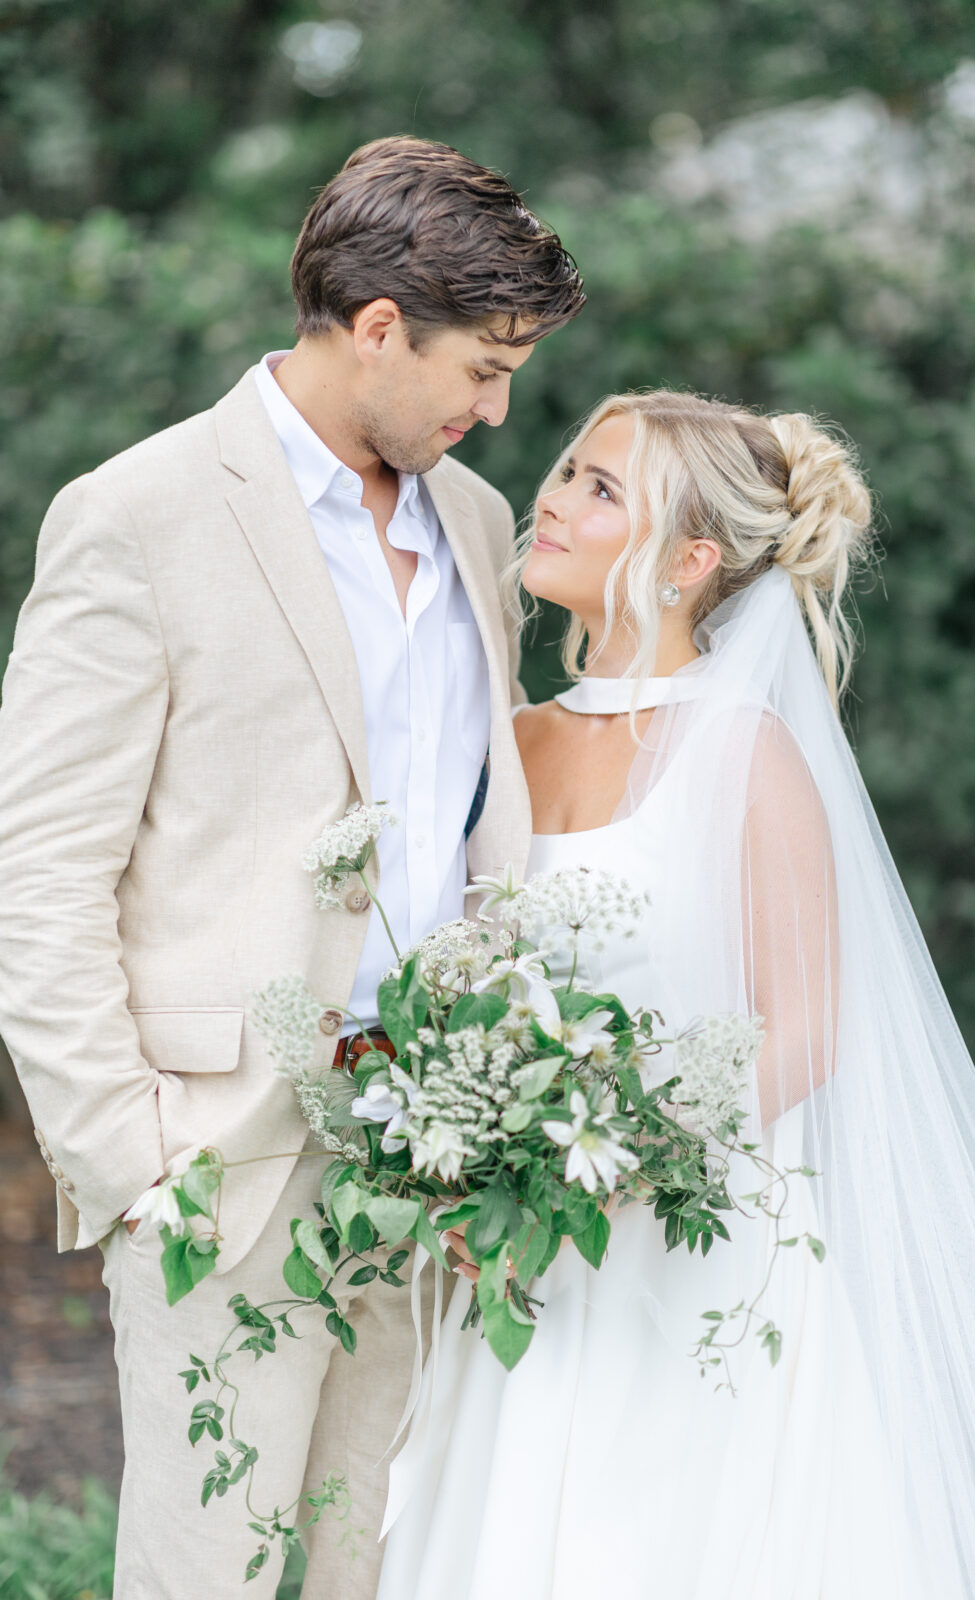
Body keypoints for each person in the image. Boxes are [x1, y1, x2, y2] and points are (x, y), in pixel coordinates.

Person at [0, 136, 584, 1598]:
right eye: (483, 367)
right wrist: (132, 1162)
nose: (499, 412)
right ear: (377, 327)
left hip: (433, 1153)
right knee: (206, 1573)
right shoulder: (135, 517)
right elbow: (40, 871)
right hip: (223, 1160)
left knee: (370, 1566)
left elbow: (470, 823)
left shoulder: (473, 524)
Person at [376, 390, 975, 1599]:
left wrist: (621, 1155)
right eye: (566, 470)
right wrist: (484, 1151)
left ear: (689, 561)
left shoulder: (746, 749)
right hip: (529, 1253)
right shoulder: (516, 738)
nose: (551, 499)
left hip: (694, 1250)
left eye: (601, 489)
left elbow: (802, 1031)